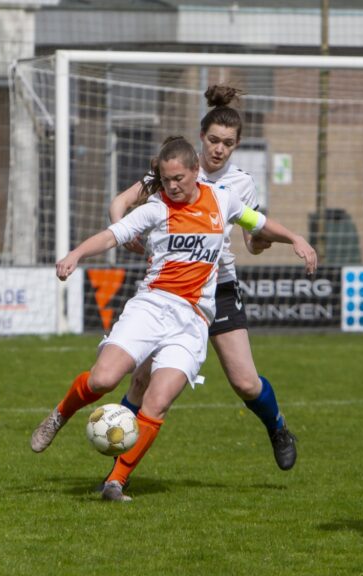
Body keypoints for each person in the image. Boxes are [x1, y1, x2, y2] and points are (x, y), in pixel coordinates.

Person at [31, 136, 317, 502]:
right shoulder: (156, 208)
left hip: (193, 320)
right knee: (103, 378)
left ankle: (115, 482)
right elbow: (112, 235)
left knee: (158, 401)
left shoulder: (222, 199)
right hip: (151, 307)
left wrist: (295, 238)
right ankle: (59, 415)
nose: (172, 186)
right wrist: (76, 253)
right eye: (166, 180)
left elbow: (258, 223)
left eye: (178, 178)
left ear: (196, 172)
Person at [108, 85, 305, 471]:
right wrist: (124, 231)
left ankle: (278, 427)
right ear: (201, 138)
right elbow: (120, 203)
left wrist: (264, 243)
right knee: (140, 381)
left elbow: (251, 241)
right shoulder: (175, 167)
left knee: (246, 383)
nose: (219, 149)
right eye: (213, 140)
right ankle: (117, 469)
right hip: (169, 289)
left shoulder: (242, 183)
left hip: (220, 287)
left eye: (228, 143)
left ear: (237, 145)